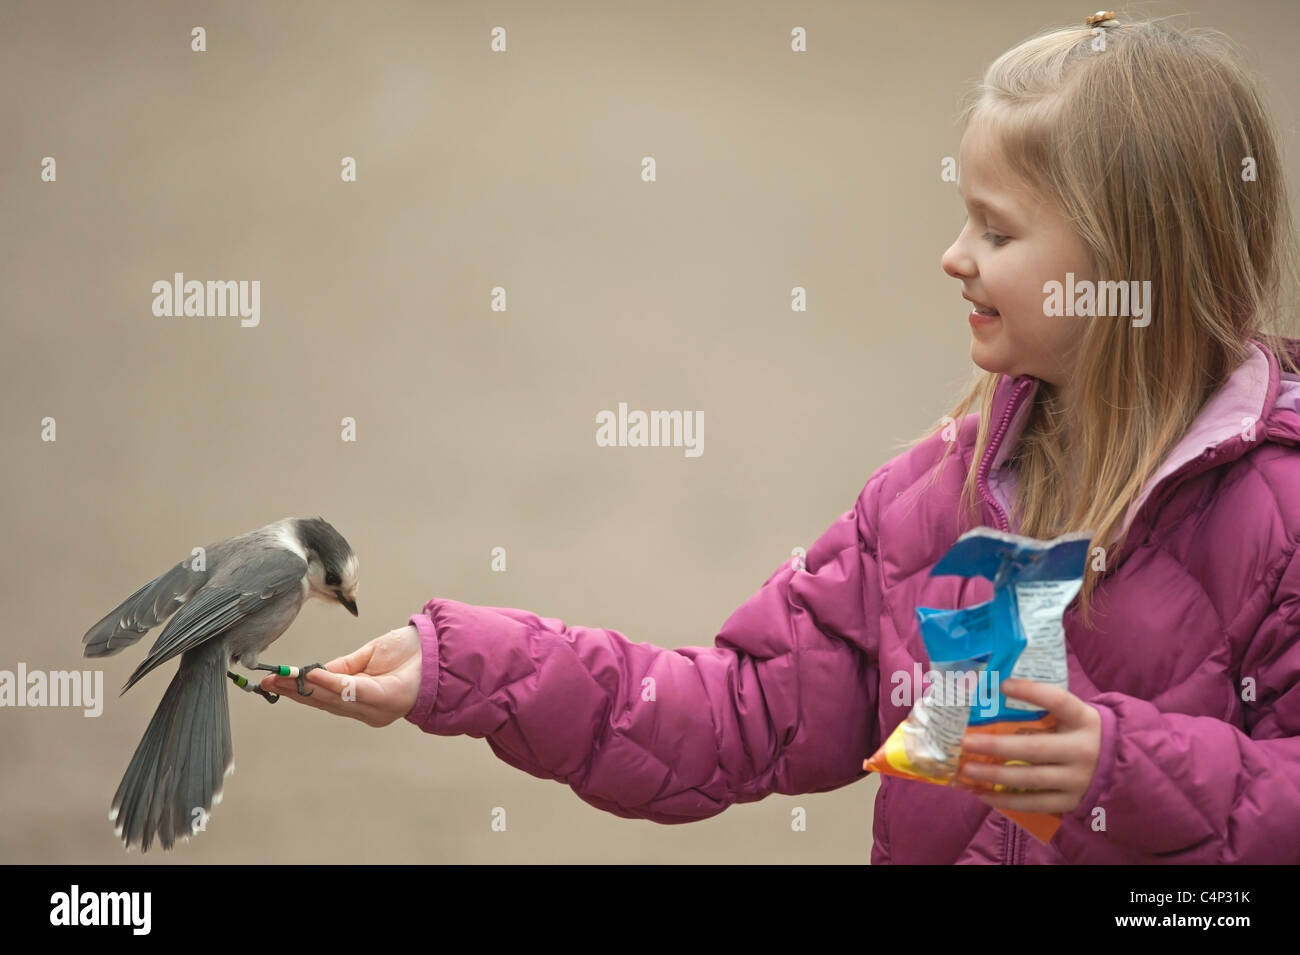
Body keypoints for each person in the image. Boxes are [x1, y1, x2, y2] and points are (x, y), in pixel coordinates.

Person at [262, 13, 1300, 863]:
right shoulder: (933, 500)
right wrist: (466, 664)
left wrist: (1121, 768)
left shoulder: (1278, 519)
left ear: (1130, 267)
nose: (951, 257)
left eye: (996, 230)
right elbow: (742, 712)